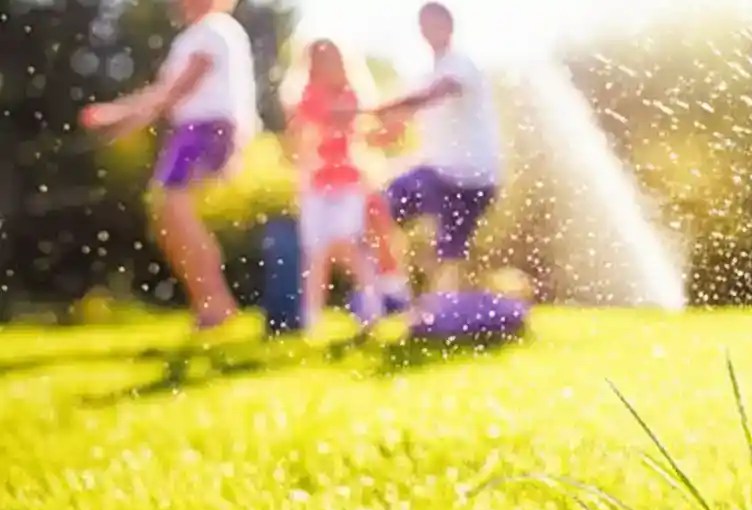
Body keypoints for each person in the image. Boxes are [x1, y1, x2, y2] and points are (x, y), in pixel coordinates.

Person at [80, 0, 256, 330]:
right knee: (167, 216)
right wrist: (123, 118)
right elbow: (165, 92)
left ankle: (217, 305)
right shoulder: (191, 36)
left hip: (206, 129)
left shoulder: (215, 29)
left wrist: (121, 115)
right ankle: (208, 304)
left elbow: (181, 87)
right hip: (190, 130)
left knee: (174, 209)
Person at [366, 1, 502, 325]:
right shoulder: (425, 73)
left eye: (434, 23)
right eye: (423, 25)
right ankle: (392, 290)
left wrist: (384, 106)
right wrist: (372, 133)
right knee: (378, 207)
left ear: (449, 26)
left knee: (447, 253)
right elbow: (402, 120)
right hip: (437, 173)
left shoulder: (461, 64)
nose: (427, 31)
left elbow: (434, 95)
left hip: (472, 179)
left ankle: (439, 318)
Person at [280, 39, 382, 331]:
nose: (325, 65)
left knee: (349, 244)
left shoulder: (350, 95)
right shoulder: (305, 97)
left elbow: (353, 125)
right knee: (315, 252)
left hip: (347, 182)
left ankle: (372, 307)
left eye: (330, 59)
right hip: (316, 185)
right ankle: (312, 319)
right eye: (318, 60)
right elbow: (300, 136)